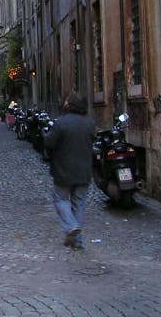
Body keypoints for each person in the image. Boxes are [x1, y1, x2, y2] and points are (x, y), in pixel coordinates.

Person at [43, 91, 95, 250]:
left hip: (64, 170)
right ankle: (77, 241)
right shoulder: (90, 123)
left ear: (69, 105)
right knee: (79, 204)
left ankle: (71, 226)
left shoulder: (61, 123)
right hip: (84, 170)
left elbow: (49, 143)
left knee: (60, 199)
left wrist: (45, 136)